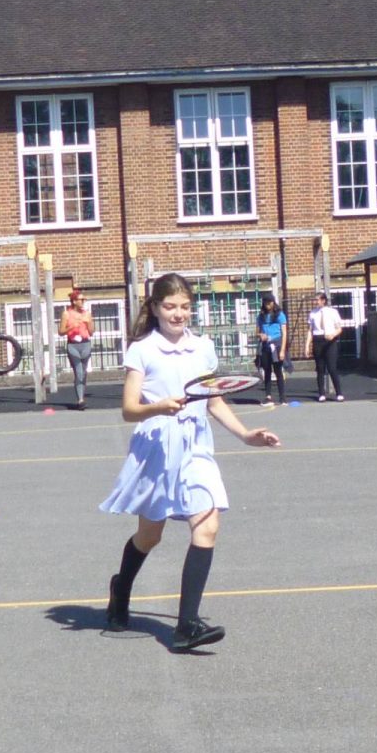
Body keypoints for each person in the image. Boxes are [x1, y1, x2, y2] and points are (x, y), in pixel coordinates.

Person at [101, 273, 280, 651]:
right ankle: (121, 589)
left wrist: (247, 435)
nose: (177, 314)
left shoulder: (202, 347)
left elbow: (212, 401)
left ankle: (187, 626)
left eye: (184, 307)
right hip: (157, 448)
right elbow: (129, 410)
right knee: (150, 536)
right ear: (154, 308)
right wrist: (159, 407)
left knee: (208, 527)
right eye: (169, 306)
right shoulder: (143, 350)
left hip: (196, 446)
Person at [59, 288, 95, 410]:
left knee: (83, 373)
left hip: (85, 344)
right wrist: (71, 327)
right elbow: (61, 332)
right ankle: (80, 400)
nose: (83, 302)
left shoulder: (87, 313)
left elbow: (91, 332)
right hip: (73, 345)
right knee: (79, 372)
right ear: (74, 301)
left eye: (84, 299)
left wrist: (88, 323)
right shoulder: (66, 314)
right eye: (81, 299)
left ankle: (81, 396)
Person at [307, 292, 346, 402]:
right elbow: (310, 330)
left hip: (330, 340)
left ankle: (339, 393)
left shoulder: (332, 312)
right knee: (320, 369)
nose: (316, 302)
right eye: (315, 300)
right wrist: (307, 345)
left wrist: (332, 334)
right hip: (317, 340)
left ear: (323, 300)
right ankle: (321, 393)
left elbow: (339, 328)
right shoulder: (313, 313)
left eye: (318, 300)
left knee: (332, 368)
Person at [255, 294, 288, 409]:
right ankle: (268, 396)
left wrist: (283, 350)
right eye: (266, 303)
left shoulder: (280, 315)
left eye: (270, 302)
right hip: (265, 345)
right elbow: (257, 332)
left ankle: (282, 397)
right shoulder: (261, 316)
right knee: (267, 371)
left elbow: (284, 333)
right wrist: (261, 335)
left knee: (278, 371)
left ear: (273, 302)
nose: (268, 305)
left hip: (277, 344)